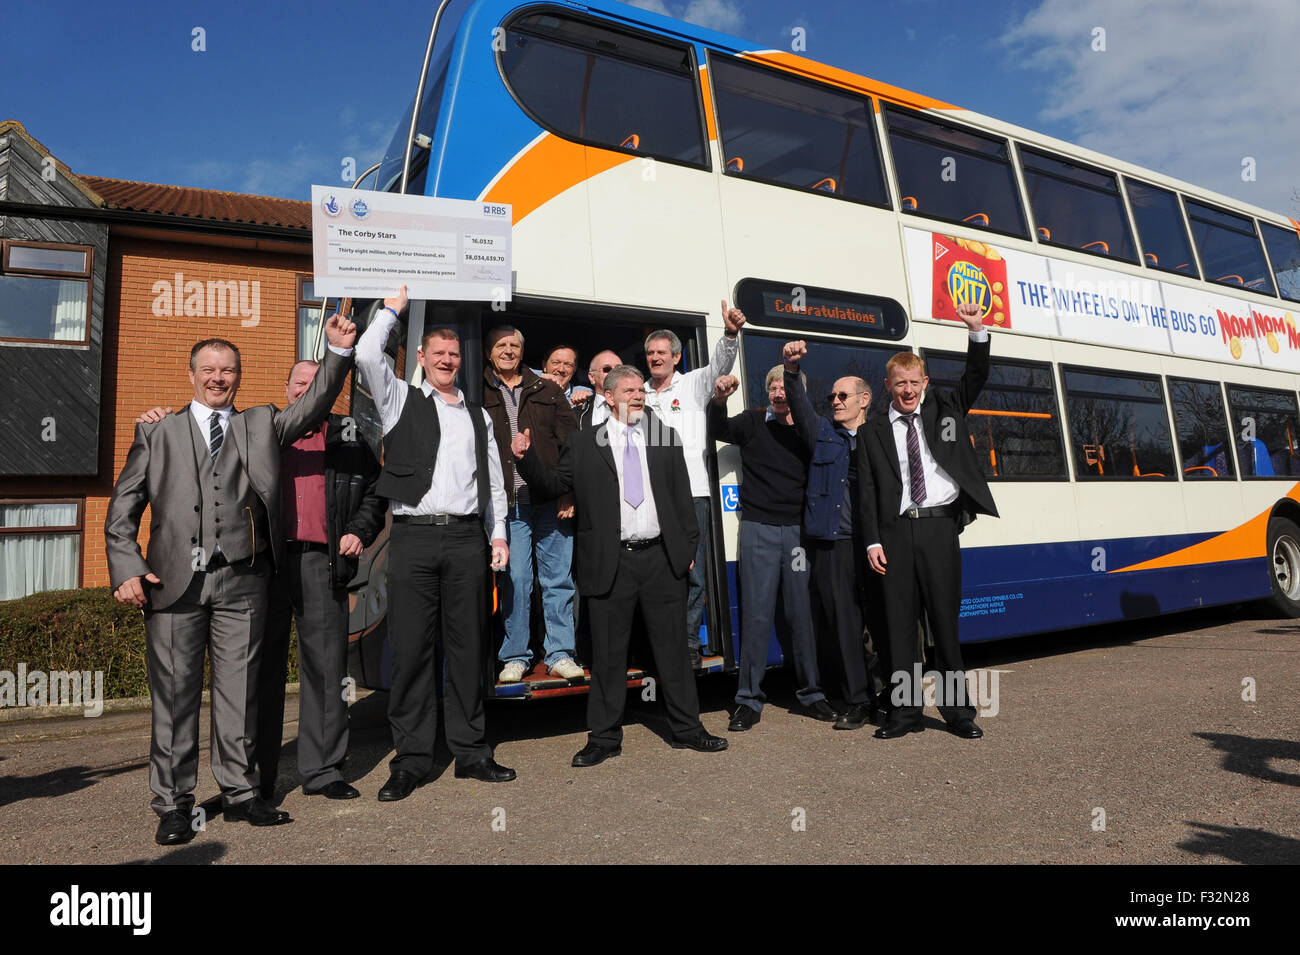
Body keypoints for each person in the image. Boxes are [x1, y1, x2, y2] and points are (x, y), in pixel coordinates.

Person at [105, 317, 356, 846]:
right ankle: (174, 803)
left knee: (239, 694)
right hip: (173, 584)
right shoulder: (156, 430)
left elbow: (313, 404)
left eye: (228, 370)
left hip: (244, 581)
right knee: (174, 698)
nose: (219, 378)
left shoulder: (261, 423)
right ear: (191, 374)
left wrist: (336, 350)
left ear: (239, 376)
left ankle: (242, 793)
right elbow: (123, 508)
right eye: (209, 369)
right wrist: (125, 566)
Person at [132, 360, 386, 802]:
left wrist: (359, 530)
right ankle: (258, 778)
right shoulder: (259, 430)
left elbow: (374, 489)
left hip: (321, 563)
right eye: (299, 383)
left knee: (326, 671)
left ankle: (323, 771)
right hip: (263, 564)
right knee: (255, 676)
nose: (306, 391)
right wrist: (161, 418)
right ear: (286, 390)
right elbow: (202, 440)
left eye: (314, 384)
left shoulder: (347, 435)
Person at [512, 365, 728, 765]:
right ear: (609, 397)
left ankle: (688, 729)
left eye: (640, 390)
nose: (638, 395)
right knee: (609, 657)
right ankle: (604, 738)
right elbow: (552, 486)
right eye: (628, 390)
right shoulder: (583, 443)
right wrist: (525, 461)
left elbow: (683, 497)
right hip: (610, 562)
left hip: (661, 559)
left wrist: (685, 549)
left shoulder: (664, 437)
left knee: (674, 652)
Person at [354, 287, 515, 799]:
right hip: (415, 540)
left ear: (460, 361)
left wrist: (499, 534)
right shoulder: (399, 398)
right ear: (420, 358)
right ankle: (412, 759)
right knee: (412, 651)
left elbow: (492, 483)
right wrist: (391, 311)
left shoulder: (480, 417)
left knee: (469, 649)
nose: (446, 361)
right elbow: (364, 353)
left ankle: (470, 752)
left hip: (468, 539)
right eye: (437, 354)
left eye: (453, 355)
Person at [859, 301, 997, 740]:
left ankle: (959, 714)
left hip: (939, 529)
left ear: (925, 383)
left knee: (944, 625)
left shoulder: (945, 409)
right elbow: (866, 491)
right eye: (899, 384)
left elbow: (974, 378)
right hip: (896, 535)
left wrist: (976, 332)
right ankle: (904, 715)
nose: (907, 390)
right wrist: (872, 541)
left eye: (914, 382)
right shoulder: (872, 431)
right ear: (887, 386)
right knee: (900, 631)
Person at [708, 369, 836, 730]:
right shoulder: (751, 421)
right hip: (758, 530)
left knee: (802, 615)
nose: (779, 393)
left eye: (785, 387)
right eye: (773, 388)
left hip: (798, 534)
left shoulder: (810, 429)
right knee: (757, 615)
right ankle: (748, 700)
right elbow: (716, 429)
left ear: (797, 392)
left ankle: (812, 694)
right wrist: (719, 400)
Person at [783, 342, 887, 730]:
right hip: (834, 545)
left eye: (843, 395)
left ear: (865, 399)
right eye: (832, 396)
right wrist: (792, 371)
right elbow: (800, 407)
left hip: (878, 545)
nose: (835, 401)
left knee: (887, 625)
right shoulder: (823, 433)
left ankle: (895, 700)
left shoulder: (882, 437)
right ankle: (858, 701)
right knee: (844, 627)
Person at [642, 303, 745, 666]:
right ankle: (659, 642)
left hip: (692, 495)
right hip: (647, 498)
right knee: (658, 571)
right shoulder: (637, 394)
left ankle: (688, 643)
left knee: (694, 570)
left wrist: (730, 334)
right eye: (650, 353)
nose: (655, 358)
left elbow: (720, 366)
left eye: (661, 353)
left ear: (676, 356)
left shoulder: (694, 384)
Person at [482, 326, 583, 683]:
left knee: (557, 581)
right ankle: (515, 656)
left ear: (523, 352)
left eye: (514, 345)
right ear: (490, 351)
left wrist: (569, 491)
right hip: (508, 504)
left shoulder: (548, 389)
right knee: (517, 580)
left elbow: (573, 445)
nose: (508, 350)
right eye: (501, 345)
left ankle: (560, 654)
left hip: (550, 500)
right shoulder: (478, 391)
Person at [538, 344, 593, 409]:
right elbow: (523, 372)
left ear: (574, 369)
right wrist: (539, 375)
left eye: (568, 364)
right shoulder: (529, 387)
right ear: (544, 365)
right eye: (556, 363)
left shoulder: (583, 392)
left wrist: (590, 401)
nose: (561, 369)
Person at [579, 349, 621, 431]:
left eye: (619, 369)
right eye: (607, 369)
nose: (614, 373)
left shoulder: (638, 408)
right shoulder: (578, 413)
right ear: (592, 377)